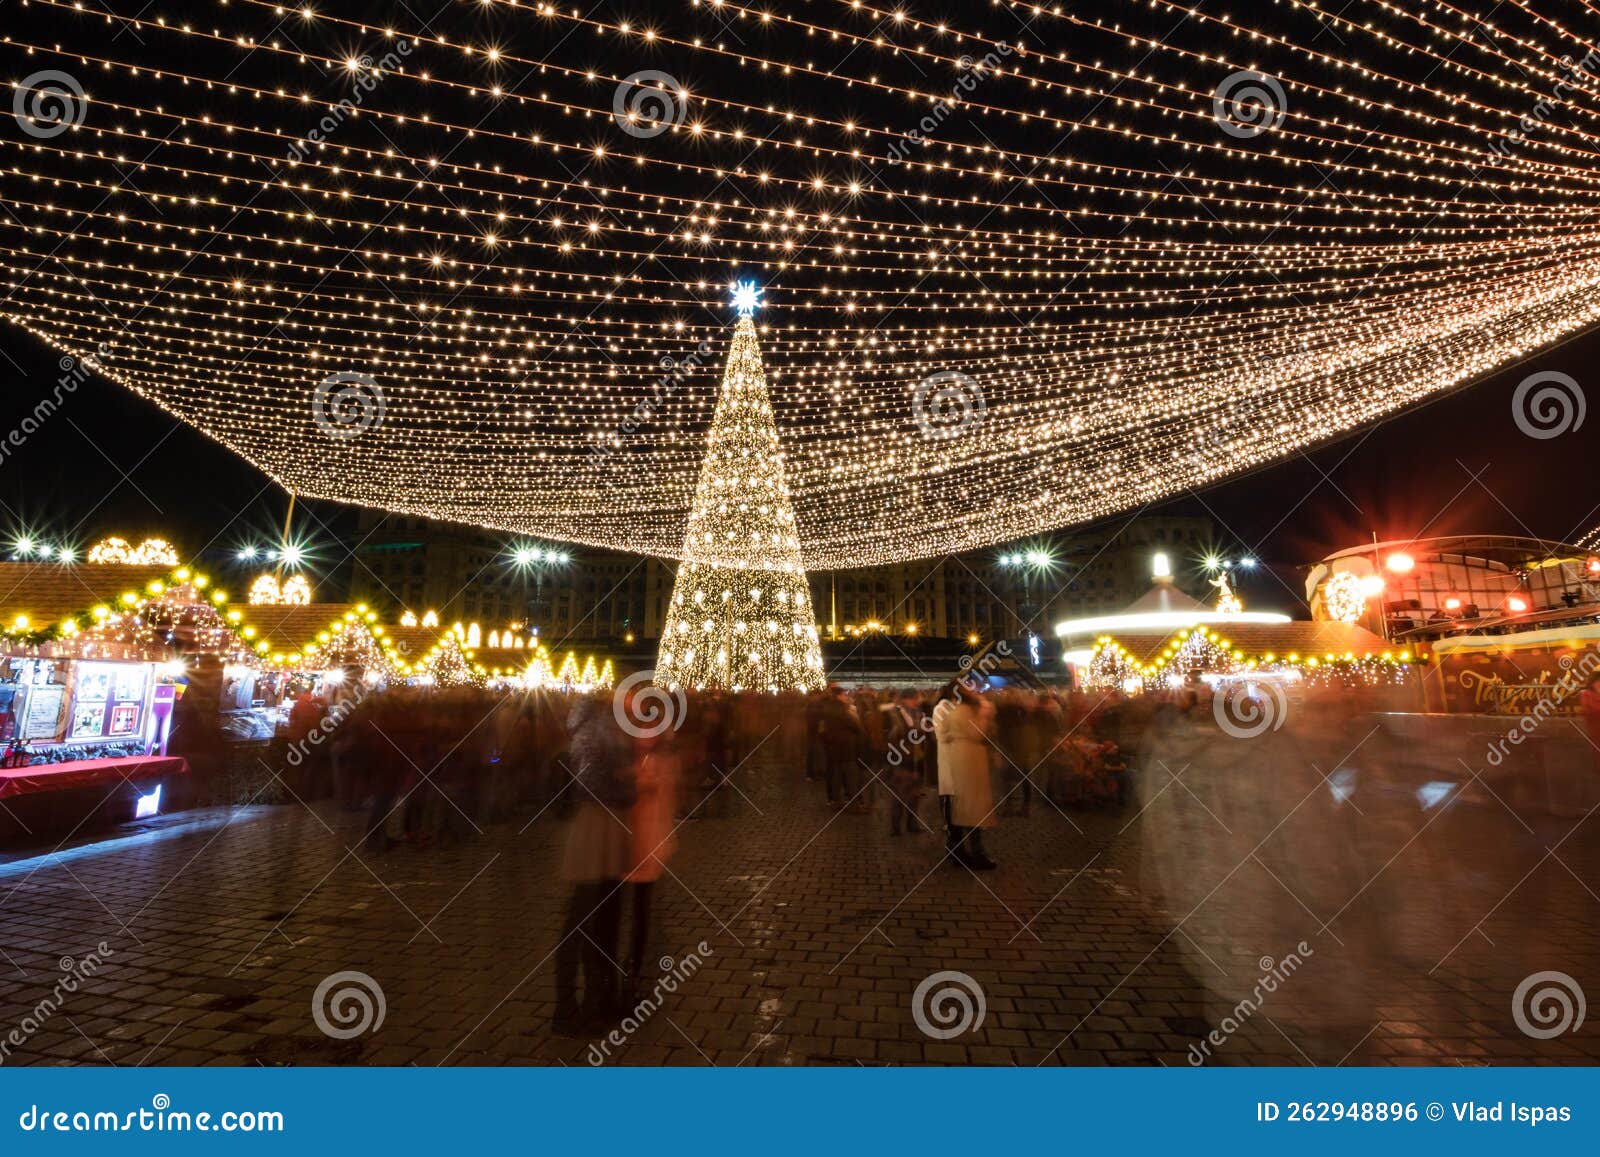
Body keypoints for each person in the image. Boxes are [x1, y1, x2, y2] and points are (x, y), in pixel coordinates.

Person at [553, 694, 637, 1035]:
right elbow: (590, 784)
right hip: (594, 829)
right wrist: (625, 784)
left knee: (603, 919)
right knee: (580, 921)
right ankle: (566, 1008)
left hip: (609, 827)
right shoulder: (589, 735)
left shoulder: (604, 733)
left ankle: (599, 998)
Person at [934, 679, 997, 869]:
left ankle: (961, 851)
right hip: (954, 765)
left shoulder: (954, 708)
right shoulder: (949, 708)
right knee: (959, 809)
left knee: (964, 809)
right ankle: (960, 851)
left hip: (961, 764)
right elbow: (943, 734)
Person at [885, 689, 929, 835]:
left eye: (917, 698)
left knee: (915, 795)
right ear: (904, 699)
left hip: (917, 760)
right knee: (899, 795)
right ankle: (895, 827)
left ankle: (912, 825)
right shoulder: (894, 715)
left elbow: (923, 733)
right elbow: (892, 736)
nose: (916, 701)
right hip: (901, 760)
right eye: (913, 699)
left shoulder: (919, 713)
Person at [817, 684, 864, 808]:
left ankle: (836, 800)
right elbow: (856, 727)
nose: (846, 697)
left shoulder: (827, 707)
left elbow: (823, 729)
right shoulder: (844, 709)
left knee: (836, 775)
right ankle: (854, 803)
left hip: (833, 747)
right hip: (846, 747)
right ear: (839, 696)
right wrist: (854, 716)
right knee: (850, 775)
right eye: (844, 694)